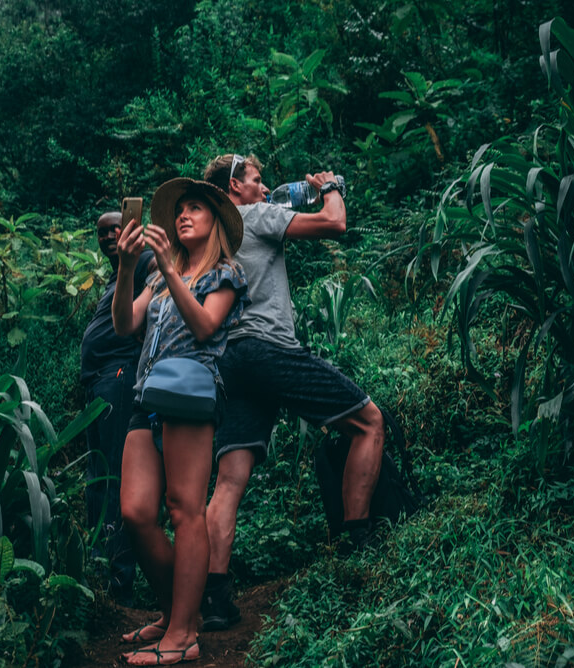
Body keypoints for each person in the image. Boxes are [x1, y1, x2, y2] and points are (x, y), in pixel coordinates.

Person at [199, 153, 385, 631]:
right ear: (233, 187)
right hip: (268, 350)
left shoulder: (212, 235)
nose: (265, 189)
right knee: (369, 423)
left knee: (228, 483)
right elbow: (334, 223)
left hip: (230, 362)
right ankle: (356, 546)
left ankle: (215, 599)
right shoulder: (255, 215)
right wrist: (330, 185)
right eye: (257, 181)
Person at [112, 178, 248, 666]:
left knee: (184, 509)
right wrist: (131, 265)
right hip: (145, 396)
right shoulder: (154, 278)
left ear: (215, 221)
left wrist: (170, 269)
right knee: (136, 512)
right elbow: (125, 325)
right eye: (179, 210)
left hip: (190, 396)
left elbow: (206, 326)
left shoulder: (225, 275)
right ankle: (176, 614)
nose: (183, 215)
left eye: (195, 208)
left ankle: (185, 634)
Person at [80, 211, 155, 607]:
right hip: (100, 381)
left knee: (112, 474)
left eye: (116, 228)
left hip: (120, 375)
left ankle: (118, 580)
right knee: (98, 475)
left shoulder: (141, 260)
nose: (109, 236)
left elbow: (165, 264)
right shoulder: (117, 276)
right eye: (102, 232)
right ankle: (99, 568)